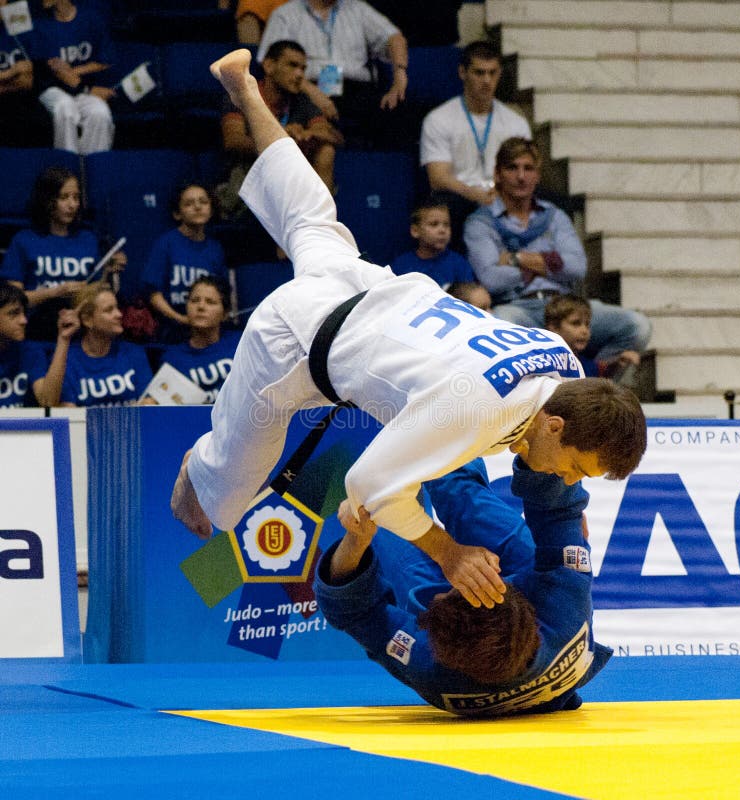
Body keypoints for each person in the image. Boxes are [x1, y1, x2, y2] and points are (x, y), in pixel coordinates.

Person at [170, 49, 647, 610]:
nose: (569, 481)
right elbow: (367, 488)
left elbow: (539, 436)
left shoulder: (561, 361)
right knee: (220, 505)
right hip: (296, 341)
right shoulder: (472, 410)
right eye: (574, 469)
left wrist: (570, 508)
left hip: (366, 283)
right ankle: (195, 467)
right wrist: (450, 553)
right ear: (554, 424)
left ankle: (245, 89)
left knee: (308, 213)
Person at [315, 457, 612, 715]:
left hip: (452, 618)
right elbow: (558, 510)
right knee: (461, 497)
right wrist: (535, 434)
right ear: (521, 600)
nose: (454, 578)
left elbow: (352, 610)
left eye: (450, 589)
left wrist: (357, 539)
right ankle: (445, 413)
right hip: (532, 575)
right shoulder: (564, 610)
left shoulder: (427, 665)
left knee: (378, 511)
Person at [465, 136, 652, 366]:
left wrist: (517, 259)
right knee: (498, 325)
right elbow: (491, 279)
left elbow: (577, 268)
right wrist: (550, 264)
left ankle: (592, 383)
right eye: (512, 168)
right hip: (520, 308)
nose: (521, 176)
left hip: (565, 304)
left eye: (528, 168)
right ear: (497, 174)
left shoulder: (554, 216)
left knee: (638, 327)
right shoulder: (481, 222)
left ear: (537, 175)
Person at [419, 40, 531, 252]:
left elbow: (525, 168)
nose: (487, 81)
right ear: (463, 72)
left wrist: (502, 192)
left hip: (504, 193)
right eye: (479, 73)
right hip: (461, 195)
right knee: (446, 205)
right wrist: (476, 194)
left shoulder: (516, 122)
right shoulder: (439, 119)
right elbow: (438, 178)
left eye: (493, 73)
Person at [255, 0, 413, 148]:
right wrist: (313, 92)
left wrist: (399, 76)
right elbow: (271, 61)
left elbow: (394, 37)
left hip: (357, 89)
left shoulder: (358, 8)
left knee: (399, 110)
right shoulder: (286, 14)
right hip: (306, 88)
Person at [218, 38, 343, 220]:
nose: (300, 74)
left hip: (290, 181)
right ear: (269, 66)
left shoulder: (302, 100)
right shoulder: (241, 96)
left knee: (326, 149)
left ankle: (319, 219)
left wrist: (310, 133)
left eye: (303, 68)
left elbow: (334, 136)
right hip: (250, 175)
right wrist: (281, 140)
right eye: (292, 66)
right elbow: (233, 141)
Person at [0, 165, 125, 342]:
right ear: (47, 200)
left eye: (76, 197)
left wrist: (108, 270)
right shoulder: (24, 240)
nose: (72, 205)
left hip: (82, 331)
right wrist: (55, 292)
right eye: (64, 197)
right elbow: (12, 302)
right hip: (37, 329)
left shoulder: (88, 239)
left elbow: (96, 292)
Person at [141, 182, 228, 345]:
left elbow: (221, 294)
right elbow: (152, 292)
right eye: (189, 203)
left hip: (207, 332)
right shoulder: (166, 244)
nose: (197, 207)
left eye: (203, 202)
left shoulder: (215, 249)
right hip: (171, 333)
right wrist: (181, 319)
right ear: (177, 213)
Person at [34, 0, 115, 155]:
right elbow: (56, 72)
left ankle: (92, 169)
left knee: (100, 112)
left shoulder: (91, 18)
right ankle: (67, 169)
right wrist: (75, 80)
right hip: (53, 89)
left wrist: (72, 71)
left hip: (82, 89)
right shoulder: (41, 26)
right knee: (65, 108)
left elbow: (105, 62)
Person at [56, 282, 152, 407]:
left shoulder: (134, 352)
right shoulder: (68, 359)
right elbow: (68, 412)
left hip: (130, 425)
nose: (119, 314)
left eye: (117, 308)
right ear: (87, 320)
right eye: (109, 310)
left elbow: (149, 402)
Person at [391, 199, 491, 311]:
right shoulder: (402, 266)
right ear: (415, 231)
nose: (442, 230)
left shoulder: (458, 263)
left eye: (446, 225)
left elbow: (472, 299)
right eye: (434, 224)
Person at [159, 276, 241, 404]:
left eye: (210, 302)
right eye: (195, 300)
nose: (201, 307)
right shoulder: (171, 358)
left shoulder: (241, 343)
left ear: (225, 313)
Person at [545, 294, 642, 381]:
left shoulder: (586, 364)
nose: (584, 331)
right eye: (576, 323)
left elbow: (601, 372)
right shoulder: (543, 362)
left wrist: (617, 363)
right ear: (554, 328)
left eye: (587, 324)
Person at [0, 0, 51, 146]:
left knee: (38, 119)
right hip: (9, 91)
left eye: (4, 1)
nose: (2, 5)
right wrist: (11, 72)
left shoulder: (16, 17)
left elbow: (28, 80)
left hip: (21, 98)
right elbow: (20, 74)